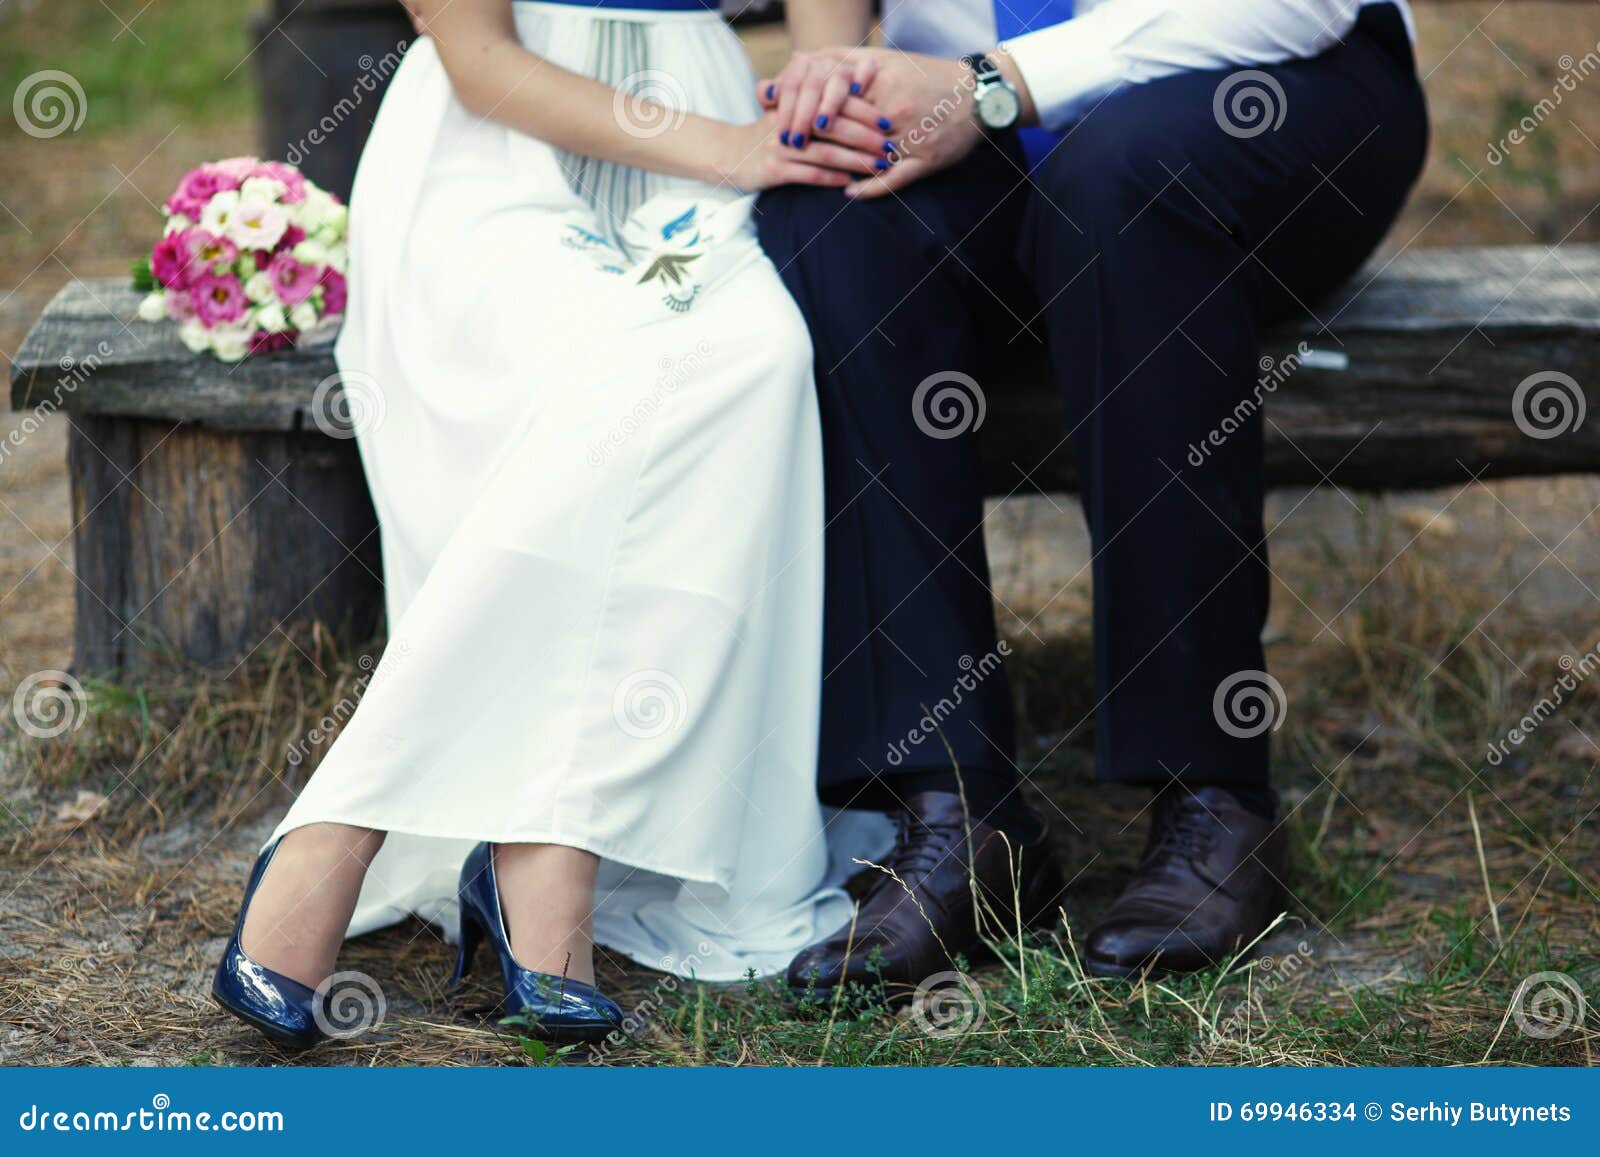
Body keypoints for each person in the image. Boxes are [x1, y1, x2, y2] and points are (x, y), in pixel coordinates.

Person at [211, 0, 913, 1048]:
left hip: (699, 146)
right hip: (494, 153)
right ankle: (423, 840)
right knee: (627, 373)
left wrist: (821, 92)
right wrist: (736, 149)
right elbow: (481, 61)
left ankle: (510, 835)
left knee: (751, 360)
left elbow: (825, 40)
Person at [758, 0, 1428, 989]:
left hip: (1273, 79)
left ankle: (1212, 794)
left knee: (1120, 172)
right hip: (972, 119)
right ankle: (955, 813)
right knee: (833, 208)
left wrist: (994, 84)